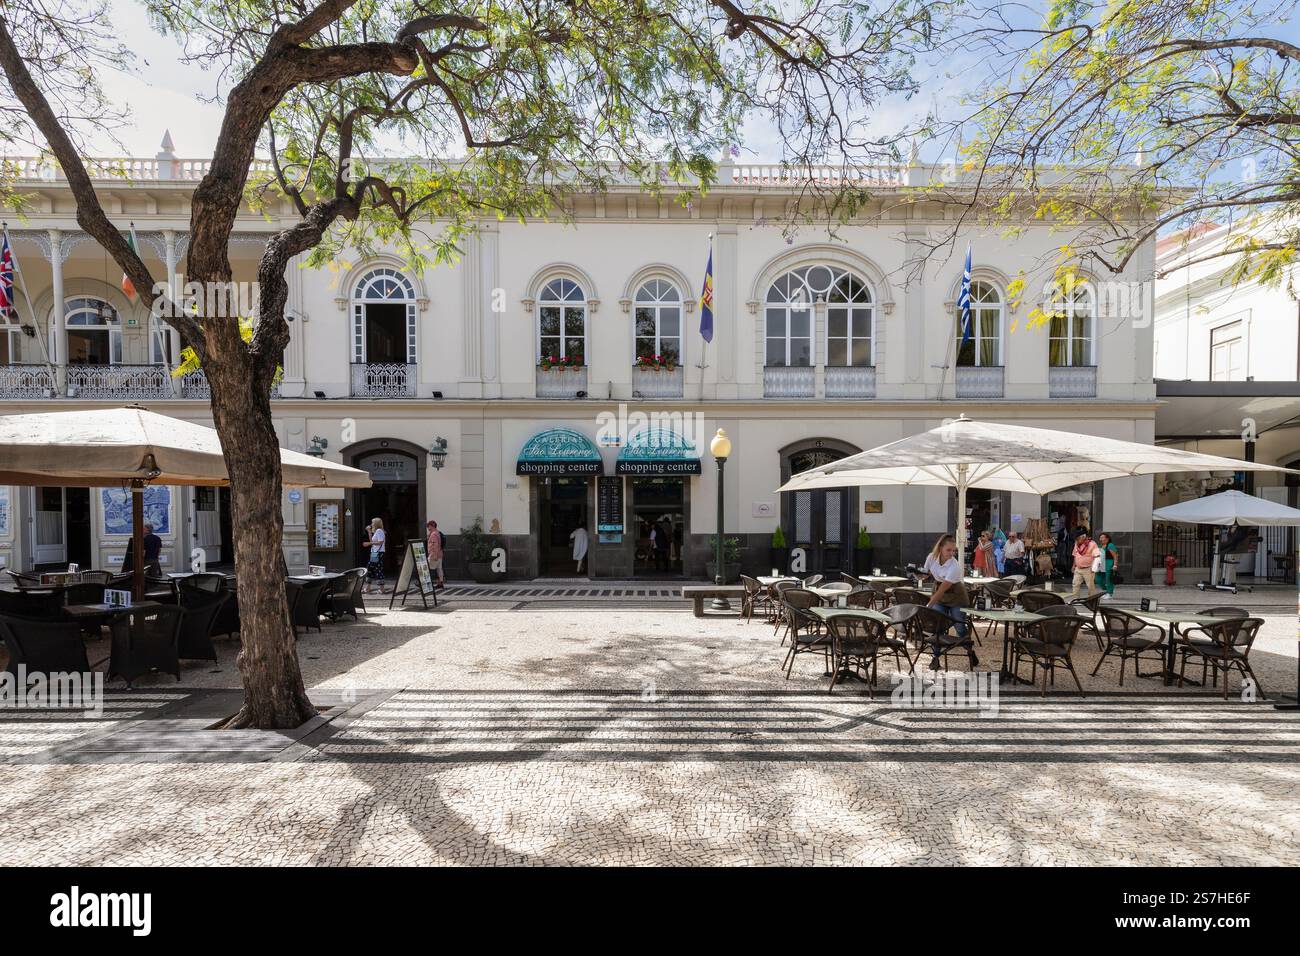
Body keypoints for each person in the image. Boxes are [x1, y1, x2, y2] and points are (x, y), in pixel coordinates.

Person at [922, 533, 975, 667]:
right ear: (940, 548)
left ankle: (970, 651)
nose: (952, 553)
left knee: (960, 628)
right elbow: (925, 574)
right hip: (939, 592)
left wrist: (928, 605)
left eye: (954, 551)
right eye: (949, 550)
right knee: (938, 626)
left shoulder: (955, 566)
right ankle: (936, 658)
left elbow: (942, 590)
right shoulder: (931, 557)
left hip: (956, 595)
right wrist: (918, 575)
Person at [1068, 529, 1101, 599]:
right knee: (1075, 584)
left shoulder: (1092, 544)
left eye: (1077, 538)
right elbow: (1075, 555)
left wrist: (1094, 568)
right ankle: (1076, 599)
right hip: (1078, 569)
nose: (1076, 540)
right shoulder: (1076, 544)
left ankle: (1092, 600)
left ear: (1083, 537)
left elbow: (1097, 556)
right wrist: (1074, 566)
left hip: (1088, 569)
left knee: (1090, 586)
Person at [362, 517, 387, 593]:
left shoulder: (379, 531)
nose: (371, 524)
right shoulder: (377, 531)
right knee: (370, 569)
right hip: (375, 553)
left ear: (376, 524)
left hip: (378, 553)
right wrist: (369, 532)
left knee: (377, 569)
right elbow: (372, 542)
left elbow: (380, 542)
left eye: (373, 523)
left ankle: (382, 589)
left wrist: (368, 543)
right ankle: (368, 588)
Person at [1094, 531, 1119, 600]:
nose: (1101, 539)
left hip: (1109, 563)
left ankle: (1109, 593)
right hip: (1101, 565)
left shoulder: (1110, 545)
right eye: (1100, 537)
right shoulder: (1100, 546)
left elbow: (1115, 556)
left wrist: (1115, 565)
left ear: (1107, 538)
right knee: (1098, 578)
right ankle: (1106, 590)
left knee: (1108, 579)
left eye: (1102, 537)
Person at [425, 519, 446, 588]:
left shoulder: (433, 534)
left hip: (434, 554)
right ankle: (440, 583)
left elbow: (435, 545)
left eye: (429, 526)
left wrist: (435, 555)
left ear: (432, 526)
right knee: (439, 569)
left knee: (426, 568)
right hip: (440, 554)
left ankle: (426, 583)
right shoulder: (438, 533)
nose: (428, 528)